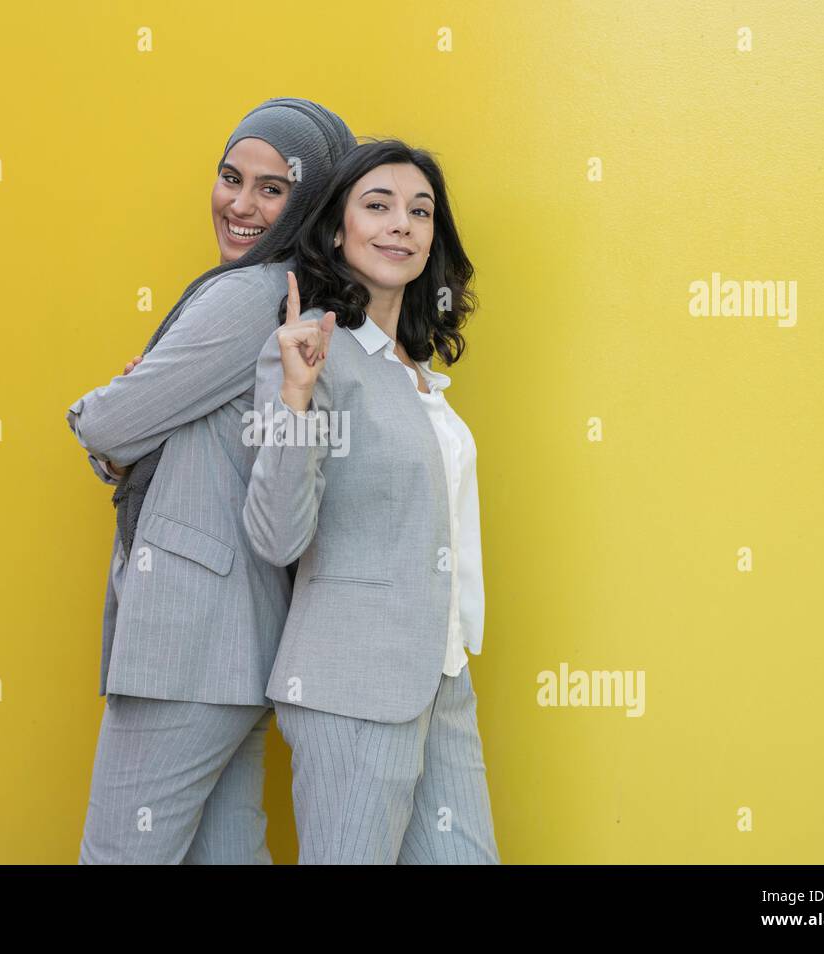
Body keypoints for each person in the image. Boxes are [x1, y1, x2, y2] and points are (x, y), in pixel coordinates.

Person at [64, 98, 356, 863]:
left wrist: (116, 428)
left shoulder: (246, 295)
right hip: (239, 646)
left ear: (311, 203)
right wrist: (136, 423)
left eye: (272, 188)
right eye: (231, 177)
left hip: (184, 644)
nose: (240, 204)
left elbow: (107, 424)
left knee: (119, 856)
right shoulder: (297, 299)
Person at [243, 139, 499, 863]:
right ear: (336, 230)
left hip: (441, 678)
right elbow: (276, 535)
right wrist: (295, 396)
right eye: (377, 205)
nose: (402, 225)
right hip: (352, 684)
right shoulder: (307, 354)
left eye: (420, 211)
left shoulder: (412, 371)